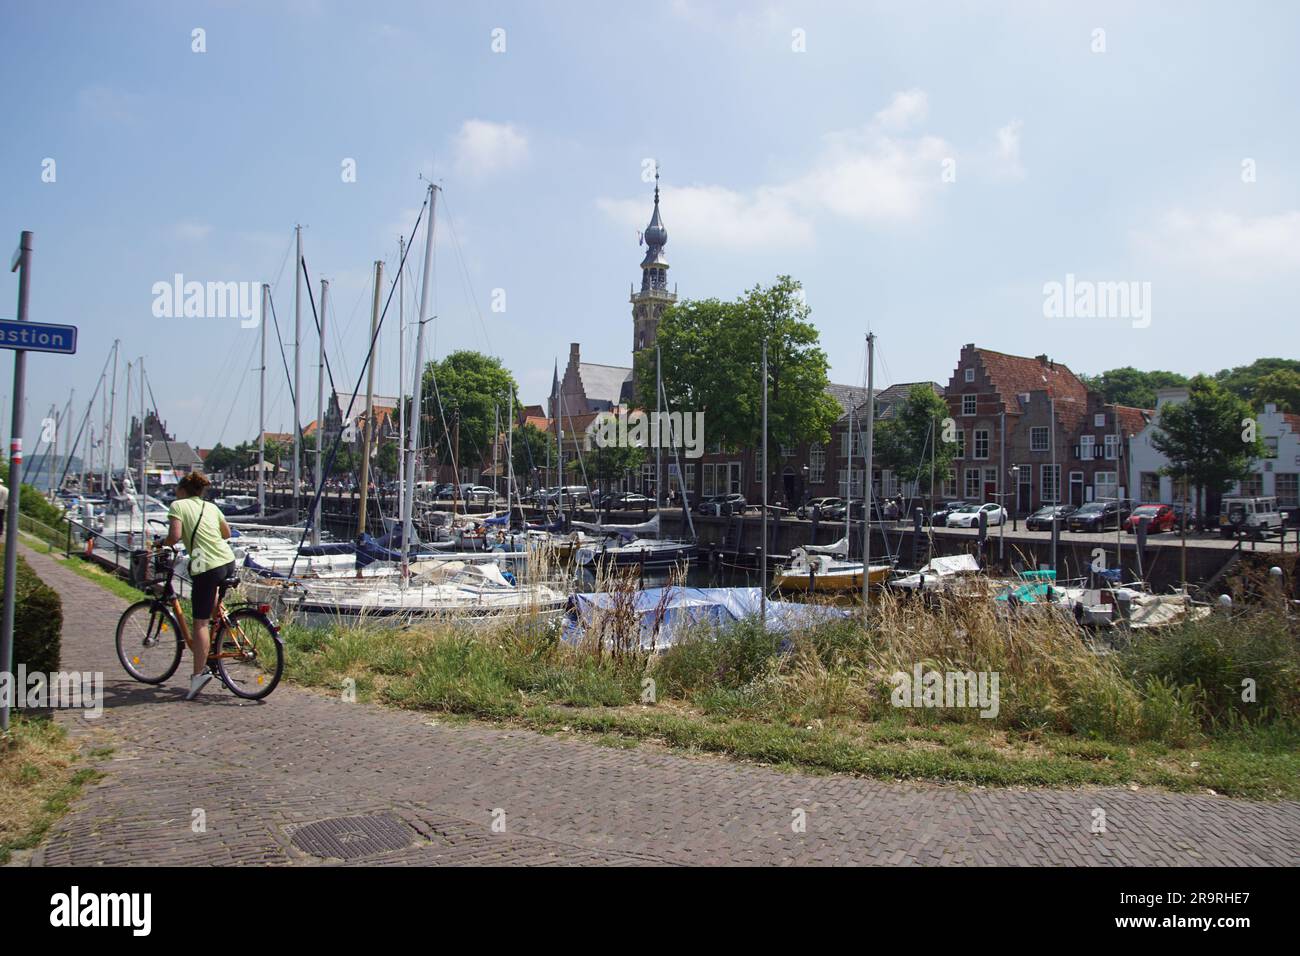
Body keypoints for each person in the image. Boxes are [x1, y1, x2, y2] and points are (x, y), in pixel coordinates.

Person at [160, 471, 236, 700]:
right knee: (212, 601)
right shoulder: (211, 507)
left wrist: (161, 543)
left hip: (206, 565)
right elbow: (227, 533)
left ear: (182, 491)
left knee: (200, 622)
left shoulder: (178, 505)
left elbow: (173, 536)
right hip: (227, 561)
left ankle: (198, 674)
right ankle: (227, 636)